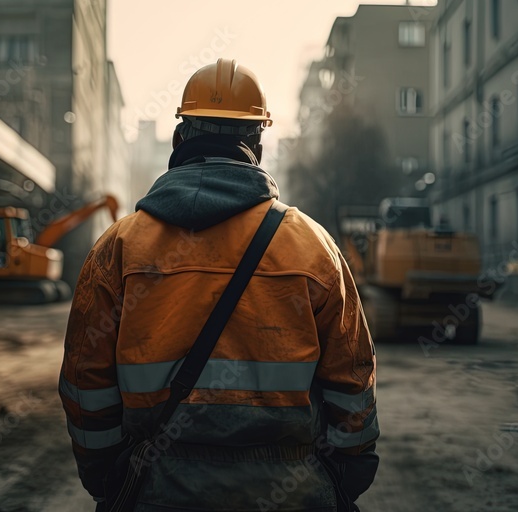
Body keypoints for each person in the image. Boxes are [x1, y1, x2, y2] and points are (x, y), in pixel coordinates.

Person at [59, 58, 378, 511]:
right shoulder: (313, 246)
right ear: (258, 147)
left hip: (157, 490)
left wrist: (107, 475)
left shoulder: (119, 247)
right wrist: (344, 475)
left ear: (178, 140)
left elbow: (84, 380)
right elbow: (353, 377)